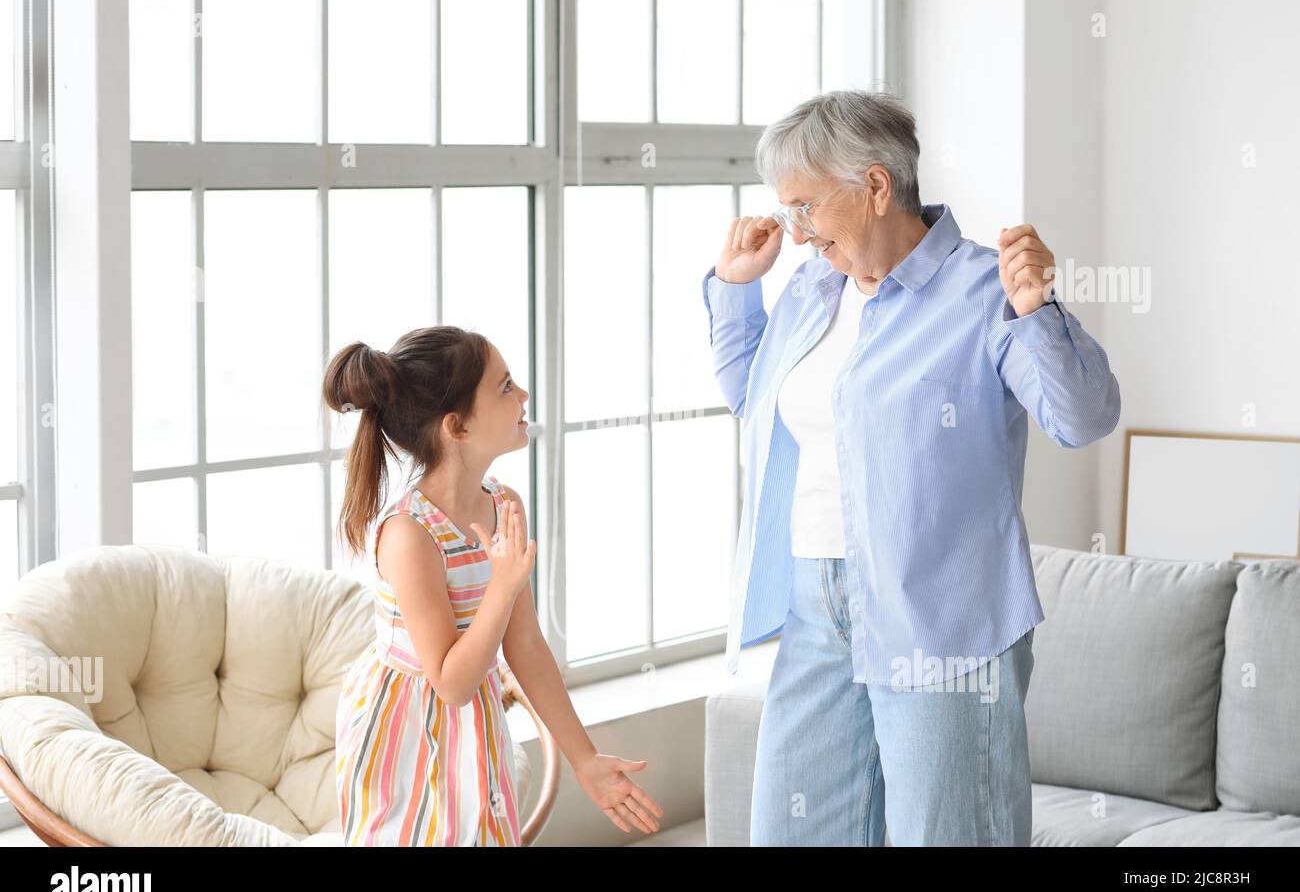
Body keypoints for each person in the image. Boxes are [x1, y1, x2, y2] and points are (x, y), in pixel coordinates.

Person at [702, 89, 1121, 845]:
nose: (794, 233)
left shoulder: (987, 289)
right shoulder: (810, 289)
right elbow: (750, 398)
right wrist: (736, 289)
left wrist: (1038, 313)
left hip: (943, 619)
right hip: (813, 607)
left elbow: (1082, 419)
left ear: (874, 186)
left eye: (804, 208)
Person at [324, 328, 664, 845]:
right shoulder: (409, 534)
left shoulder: (504, 505)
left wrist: (585, 759)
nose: (523, 396)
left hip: (473, 724)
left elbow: (523, 643)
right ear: (456, 426)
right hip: (408, 729)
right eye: (505, 387)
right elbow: (450, 682)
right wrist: (502, 588)